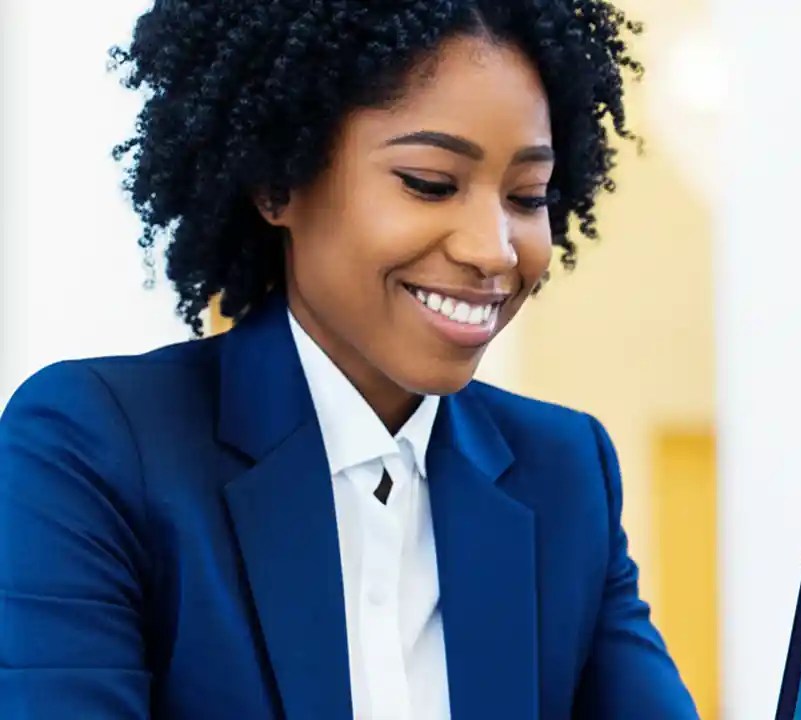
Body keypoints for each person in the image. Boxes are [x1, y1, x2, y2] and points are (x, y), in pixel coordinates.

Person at [0, 1, 697, 718]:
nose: (494, 249)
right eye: (429, 183)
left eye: (528, 196)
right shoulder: (94, 446)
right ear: (278, 181)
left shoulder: (562, 473)